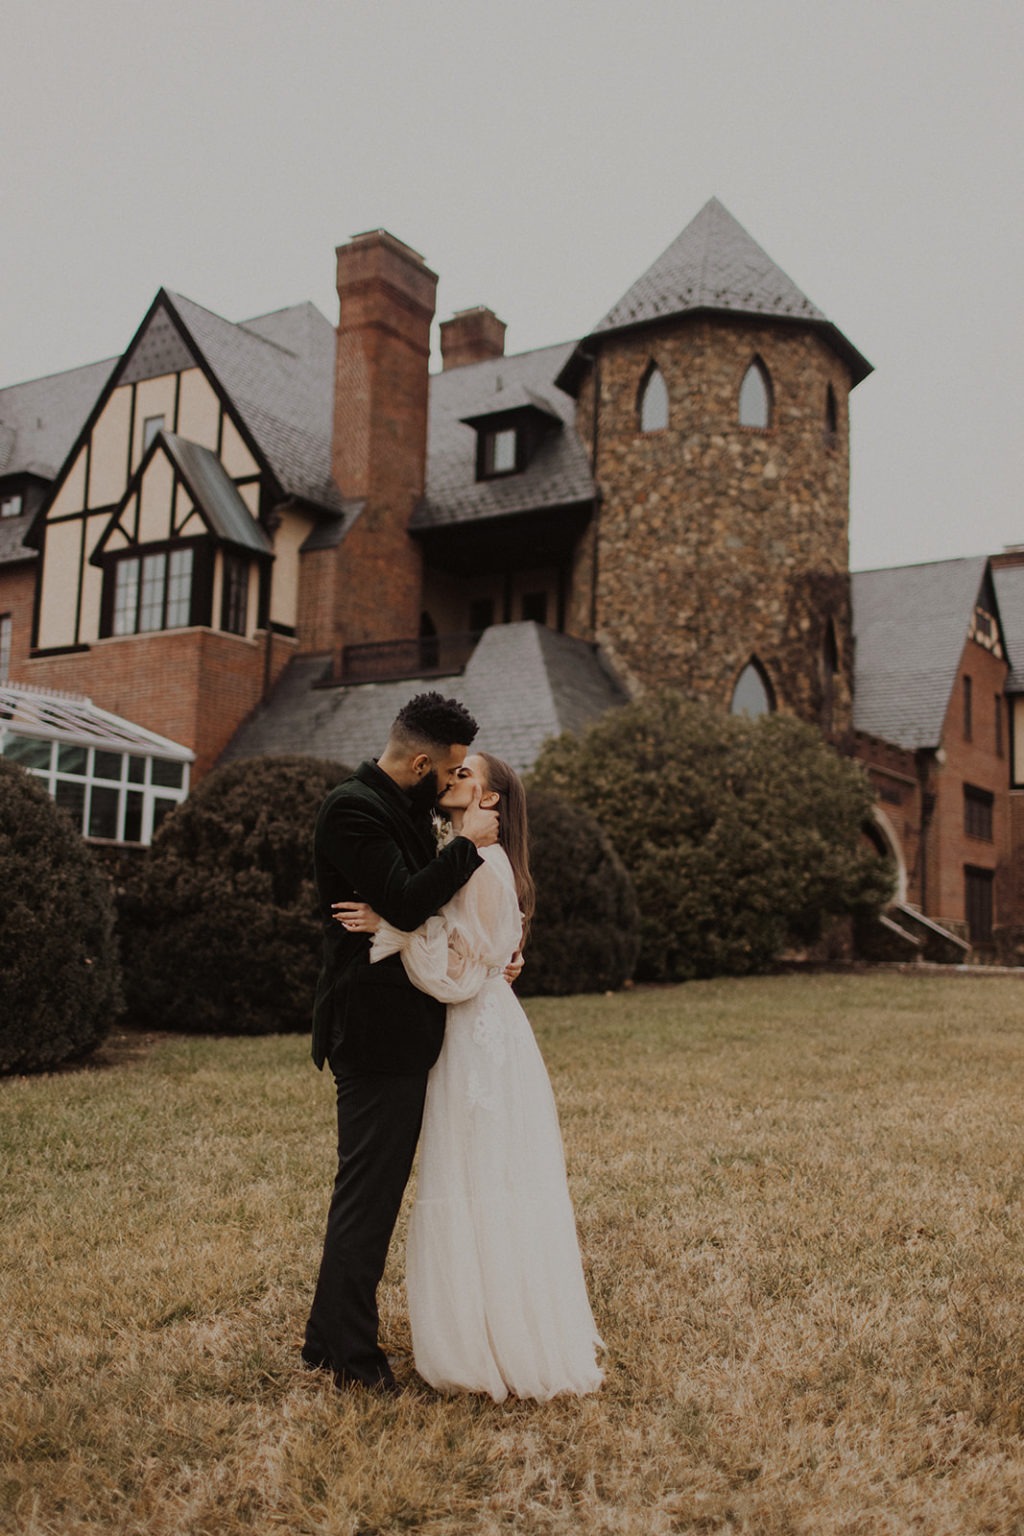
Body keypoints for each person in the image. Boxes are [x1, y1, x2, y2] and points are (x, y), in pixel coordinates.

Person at [336, 752, 603, 1402]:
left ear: (491, 801)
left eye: (466, 776)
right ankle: (485, 1332)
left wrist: (394, 931)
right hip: (489, 1034)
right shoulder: (476, 859)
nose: (452, 778)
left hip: (475, 1039)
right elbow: (480, 950)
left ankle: (488, 1348)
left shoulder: (482, 863)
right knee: (487, 1176)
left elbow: (453, 977)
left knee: (478, 1177)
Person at [302, 692, 501, 1394]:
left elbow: (418, 906)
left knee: (368, 1193)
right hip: (374, 1032)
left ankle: (326, 1340)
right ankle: (352, 1361)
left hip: (402, 1028)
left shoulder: (405, 809)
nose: (450, 785)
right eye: (445, 773)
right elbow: (411, 899)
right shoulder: (353, 809)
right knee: (369, 1197)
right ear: (419, 761)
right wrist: (471, 849)